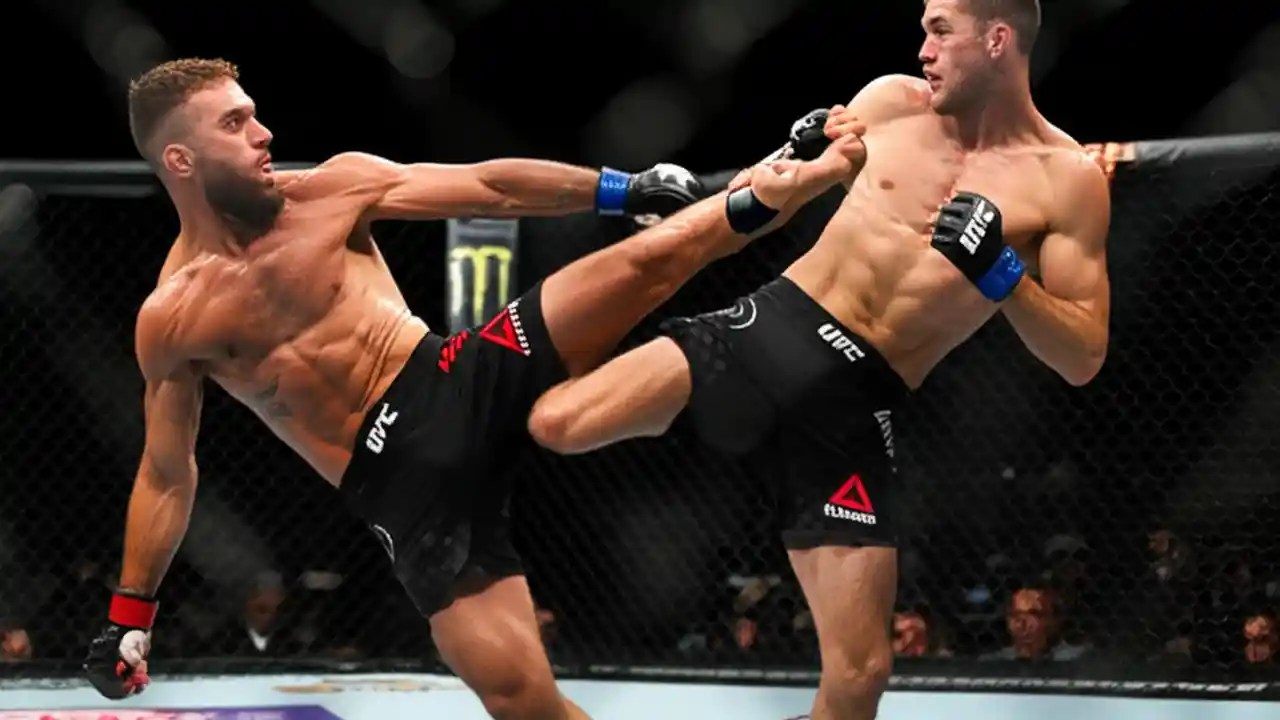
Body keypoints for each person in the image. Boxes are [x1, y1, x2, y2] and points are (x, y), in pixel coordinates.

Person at [80, 57, 868, 719]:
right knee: (523, 699)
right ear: (179, 160)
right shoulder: (174, 316)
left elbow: (488, 187)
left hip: (454, 375)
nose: (264, 134)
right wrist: (130, 613)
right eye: (234, 124)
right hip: (398, 484)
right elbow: (166, 471)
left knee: (646, 259)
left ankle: (785, 180)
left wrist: (621, 189)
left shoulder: (329, 191)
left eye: (254, 115)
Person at [526, 0, 1112, 717]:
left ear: (996, 40)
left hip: (859, 397)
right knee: (556, 421)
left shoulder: (1066, 180)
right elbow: (780, 186)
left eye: (938, 31)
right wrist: (796, 155)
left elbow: (1083, 355)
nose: (922, 48)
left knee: (860, 677)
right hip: (769, 325)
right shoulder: (890, 102)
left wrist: (1005, 275)